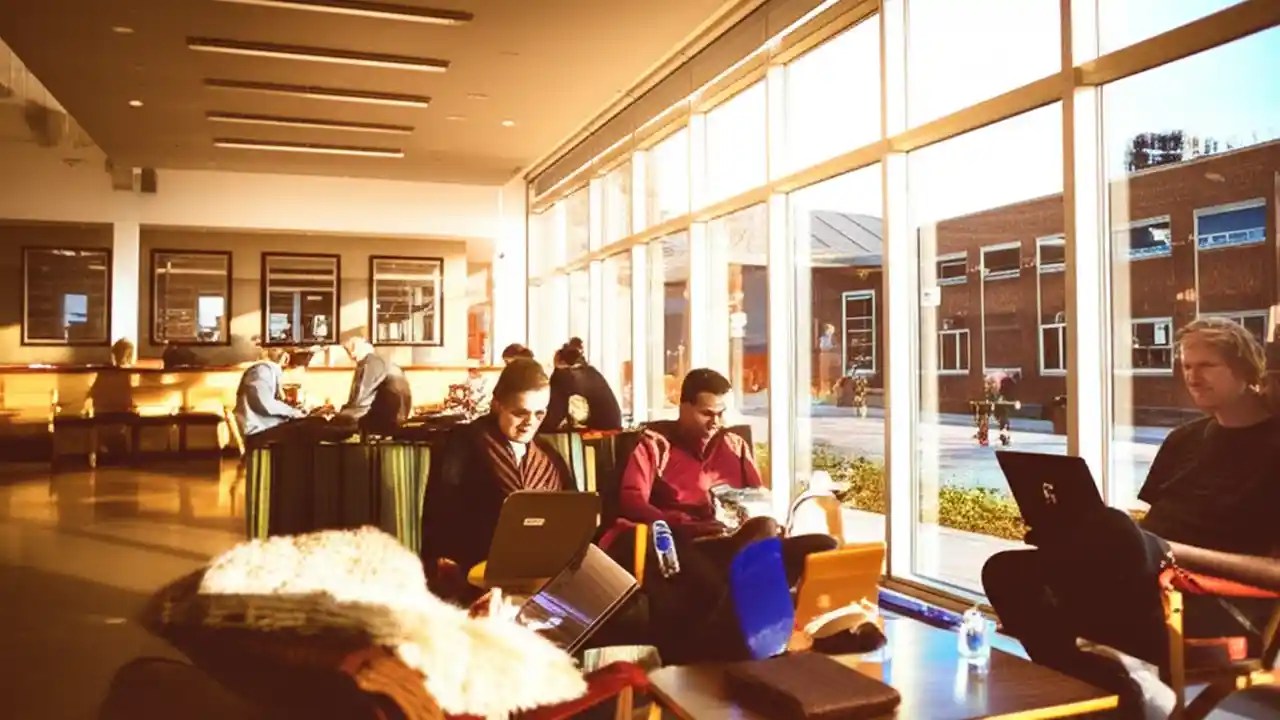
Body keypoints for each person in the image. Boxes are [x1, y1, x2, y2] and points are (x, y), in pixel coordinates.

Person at [983, 317, 1280, 705]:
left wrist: (1170, 551)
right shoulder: (1184, 440)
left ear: (1245, 369)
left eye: (1207, 365)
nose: (1192, 376)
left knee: (1112, 532)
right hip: (1140, 581)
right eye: (1187, 366)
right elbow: (1147, 529)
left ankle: (1126, 694)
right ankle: (1117, 690)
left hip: (1211, 608)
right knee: (1007, 571)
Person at [599, 368, 838, 662]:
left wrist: (762, 518)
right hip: (682, 544)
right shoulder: (655, 445)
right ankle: (746, 627)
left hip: (732, 541)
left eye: (721, 414)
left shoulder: (733, 446)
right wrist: (679, 523)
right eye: (707, 413)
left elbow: (756, 497)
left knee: (822, 545)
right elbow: (632, 499)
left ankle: (823, 629)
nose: (716, 422)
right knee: (723, 570)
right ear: (683, 406)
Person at [422, 358, 572, 577]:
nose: (530, 422)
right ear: (497, 405)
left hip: (544, 572)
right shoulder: (463, 444)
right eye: (520, 413)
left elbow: (573, 514)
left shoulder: (550, 455)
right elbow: (439, 514)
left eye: (539, 413)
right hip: (476, 571)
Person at [334, 336, 412, 436]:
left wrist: (340, 415)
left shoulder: (371, 362)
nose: (351, 355)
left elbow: (361, 403)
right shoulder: (382, 361)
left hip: (385, 422)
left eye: (349, 350)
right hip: (395, 419)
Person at [541, 338, 623, 432]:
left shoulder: (563, 376)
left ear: (560, 361)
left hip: (596, 433)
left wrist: (540, 428)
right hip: (613, 429)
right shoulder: (591, 372)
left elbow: (555, 413)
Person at [233, 348, 309, 449]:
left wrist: (292, 409)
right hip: (259, 434)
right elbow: (265, 404)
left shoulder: (266, 371)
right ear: (286, 358)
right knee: (315, 431)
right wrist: (294, 413)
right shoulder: (262, 371)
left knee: (315, 427)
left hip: (266, 430)